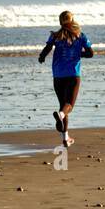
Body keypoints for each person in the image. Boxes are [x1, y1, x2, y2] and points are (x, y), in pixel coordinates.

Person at [38, 10, 93, 147]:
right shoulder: (80, 36)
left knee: (63, 105)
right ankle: (61, 116)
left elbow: (47, 48)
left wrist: (41, 57)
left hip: (58, 75)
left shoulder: (55, 36)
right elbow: (90, 54)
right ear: (72, 20)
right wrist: (77, 54)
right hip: (73, 75)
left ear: (60, 21)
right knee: (68, 106)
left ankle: (65, 138)